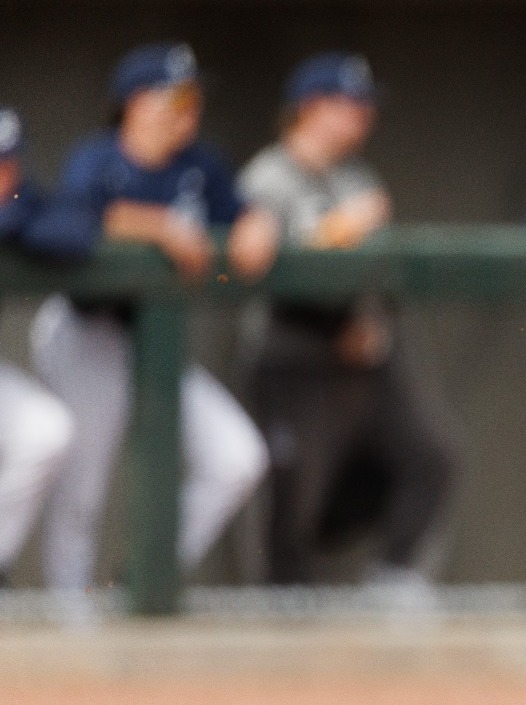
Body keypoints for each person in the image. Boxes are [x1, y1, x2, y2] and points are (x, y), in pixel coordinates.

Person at [31, 42, 269, 597]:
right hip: (86, 332)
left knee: (237, 459)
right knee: (82, 489)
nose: (191, 109)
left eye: (196, 98)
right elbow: (71, 217)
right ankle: (71, 617)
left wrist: (259, 223)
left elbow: (245, 212)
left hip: (151, 340)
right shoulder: (99, 156)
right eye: (177, 96)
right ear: (136, 102)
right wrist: (156, 225)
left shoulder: (199, 165)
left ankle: (136, 581)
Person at [233, 52, 454, 595]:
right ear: (309, 108)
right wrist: (345, 229)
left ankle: (394, 579)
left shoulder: (356, 176)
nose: (362, 116)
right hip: (292, 359)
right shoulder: (268, 176)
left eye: (364, 105)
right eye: (349, 104)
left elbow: (384, 271)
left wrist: (371, 320)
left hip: (364, 360)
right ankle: (277, 606)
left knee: (431, 454)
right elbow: (273, 274)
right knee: (290, 494)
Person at [0, 107, 82, 587]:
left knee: (45, 430)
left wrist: (11, 221)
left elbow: (75, 232)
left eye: (7, 165)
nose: (2, 177)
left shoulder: (19, 203)